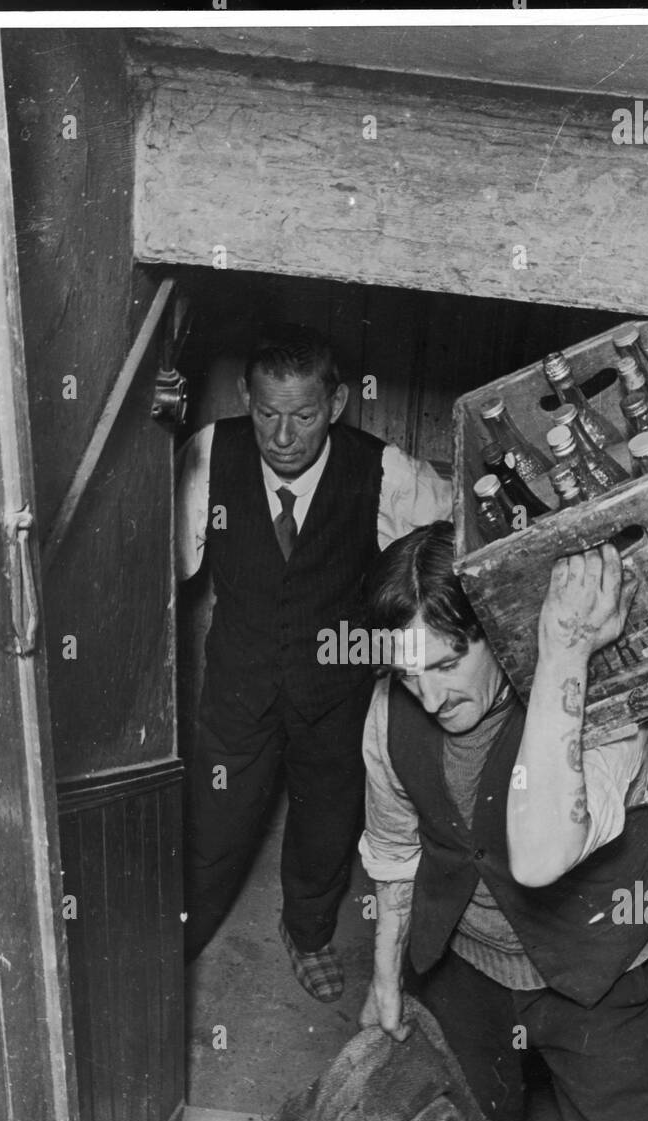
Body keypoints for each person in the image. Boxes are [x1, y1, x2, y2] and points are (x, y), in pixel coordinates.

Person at [358, 520, 648, 1121]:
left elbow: (540, 853)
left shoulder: (606, 699)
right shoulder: (390, 712)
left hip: (593, 976)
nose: (429, 696)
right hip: (465, 971)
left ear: (498, 627)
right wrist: (385, 981)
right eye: (407, 674)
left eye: (445, 663)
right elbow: (397, 849)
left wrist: (563, 649)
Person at [175, 324, 451, 1001]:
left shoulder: (386, 473)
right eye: (266, 413)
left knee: (327, 824)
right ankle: (177, 932)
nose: (282, 436)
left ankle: (307, 932)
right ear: (246, 397)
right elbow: (171, 566)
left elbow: (452, 543)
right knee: (214, 822)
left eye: (302, 415)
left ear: (336, 404)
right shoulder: (210, 453)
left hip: (336, 692)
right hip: (238, 686)